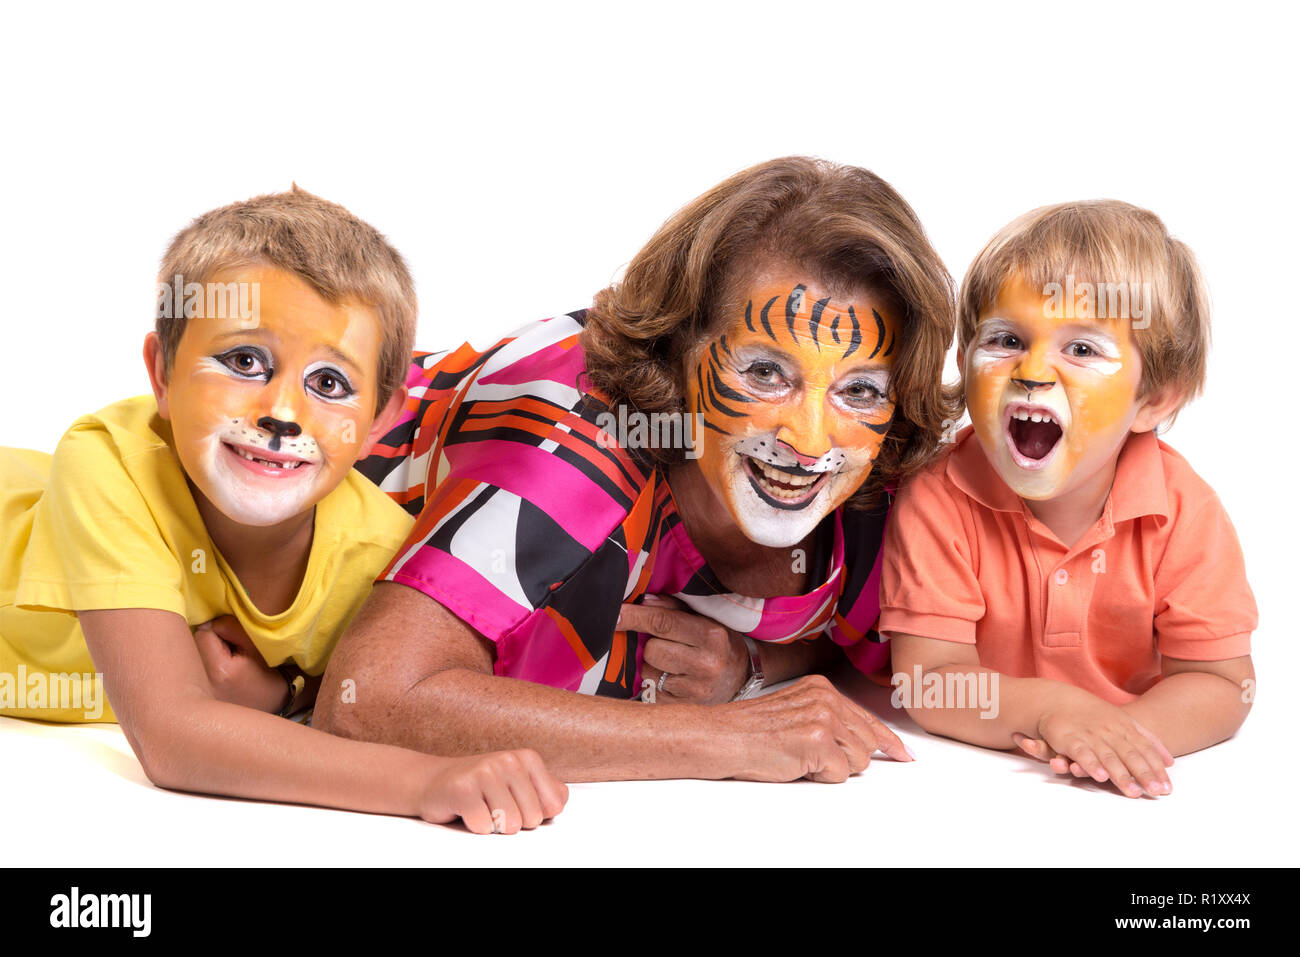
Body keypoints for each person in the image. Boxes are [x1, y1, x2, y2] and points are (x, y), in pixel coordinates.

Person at [314, 157, 958, 782]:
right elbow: (365, 700)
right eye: (765, 373)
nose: (811, 441)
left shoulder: (884, 488)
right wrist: (732, 737)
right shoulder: (581, 431)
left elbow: (869, 644)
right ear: (677, 348)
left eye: (860, 391)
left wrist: (753, 664)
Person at [0, 188, 567, 833]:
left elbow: (423, 683)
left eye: (329, 383)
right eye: (245, 361)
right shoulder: (108, 461)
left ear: (381, 419)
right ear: (162, 375)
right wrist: (423, 780)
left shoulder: (387, 556)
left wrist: (288, 693)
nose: (281, 414)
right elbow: (171, 734)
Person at [881, 200, 1257, 798]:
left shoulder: (1186, 510)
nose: (1032, 371)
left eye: (1082, 350)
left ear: (1154, 399)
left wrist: (1119, 738)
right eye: (1006, 340)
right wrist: (1051, 711)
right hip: (970, 788)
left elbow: (1220, 683)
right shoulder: (938, 497)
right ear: (963, 362)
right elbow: (928, 684)